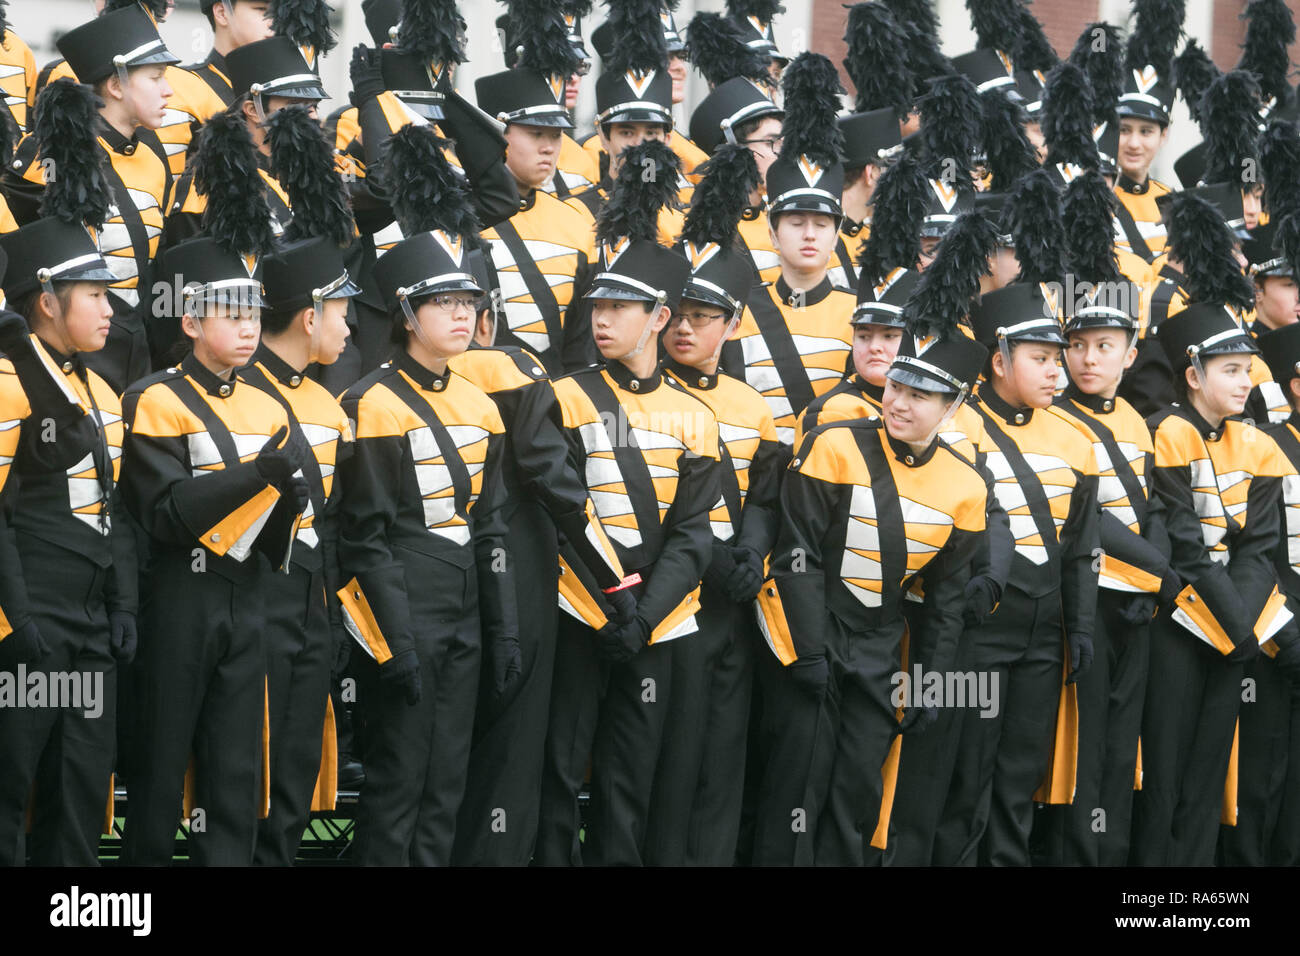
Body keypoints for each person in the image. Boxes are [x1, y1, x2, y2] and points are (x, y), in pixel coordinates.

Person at [752, 282, 990, 866]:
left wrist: (930, 680)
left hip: (883, 651)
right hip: (814, 635)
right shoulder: (833, 444)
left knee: (856, 791)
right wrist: (809, 652)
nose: (901, 403)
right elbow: (796, 555)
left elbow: (946, 599)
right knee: (793, 791)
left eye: (922, 396)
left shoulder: (968, 487)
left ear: (953, 409)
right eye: (898, 388)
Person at [535, 140, 722, 866]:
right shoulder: (566, 396)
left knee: (629, 778)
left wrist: (643, 617)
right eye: (598, 306)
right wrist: (612, 604)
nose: (602, 320)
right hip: (579, 612)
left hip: (658, 624)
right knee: (558, 769)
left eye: (620, 308)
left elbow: (695, 534)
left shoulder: (697, 416)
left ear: (659, 316)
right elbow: (561, 514)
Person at [336, 126, 520, 866]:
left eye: (468, 303)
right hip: (405, 600)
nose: (462, 316)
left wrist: (503, 628)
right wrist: (395, 642)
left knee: (447, 782)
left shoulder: (480, 402)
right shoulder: (370, 402)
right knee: (397, 783)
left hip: (467, 602)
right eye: (442, 303)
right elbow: (366, 538)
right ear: (406, 315)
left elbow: (494, 524)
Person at [119, 227, 308, 866]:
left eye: (254, 313)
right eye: (232, 315)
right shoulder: (154, 397)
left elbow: (279, 523)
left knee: (234, 766)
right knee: (161, 760)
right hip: (179, 593)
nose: (249, 327)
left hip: (250, 594)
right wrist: (258, 477)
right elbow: (167, 515)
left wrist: (289, 504)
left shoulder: (269, 404)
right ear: (192, 322)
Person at [936, 188, 1101, 866]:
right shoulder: (957, 424)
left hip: (1044, 629)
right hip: (982, 628)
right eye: (1042, 359)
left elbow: (1083, 547)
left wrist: (1082, 626)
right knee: (965, 774)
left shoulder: (1077, 439)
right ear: (999, 359)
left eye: (1059, 359)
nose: (1057, 371)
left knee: (1018, 776)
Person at [448, 251, 626, 867]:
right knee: (513, 750)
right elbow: (555, 478)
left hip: (439, 581)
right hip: (520, 570)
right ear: (488, 319)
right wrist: (612, 577)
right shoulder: (514, 368)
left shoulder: (392, 382)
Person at [647, 143, 783, 866]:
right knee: (669, 755)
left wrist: (753, 554)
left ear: (731, 326)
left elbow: (764, 496)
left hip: (734, 592)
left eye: (705, 318)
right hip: (671, 591)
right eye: (679, 314)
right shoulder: (642, 393)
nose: (686, 329)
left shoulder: (751, 405)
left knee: (725, 755)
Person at [1039, 170, 1170, 866]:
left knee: (1124, 749)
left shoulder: (1140, 424)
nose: (1089, 359)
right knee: (1078, 757)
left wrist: (1153, 578)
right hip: (1081, 602)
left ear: (1129, 352)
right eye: (1078, 345)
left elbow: (1150, 511)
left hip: (1136, 608)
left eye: (1104, 346)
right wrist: (1161, 570)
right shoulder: (1052, 420)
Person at [1133, 304, 1291, 866]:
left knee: (1208, 773)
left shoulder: (1258, 445)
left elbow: (1258, 549)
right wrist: (1236, 631)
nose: (1245, 383)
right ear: (1194, 374)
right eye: (1230, 370)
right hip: (1180, 626)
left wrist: (1239, 629)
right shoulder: (1168, 431)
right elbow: (1184, 545)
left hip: (1231, 631)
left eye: (1248, 371)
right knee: (1166, 775)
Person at [0, 220, 130, 866]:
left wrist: (120, 606)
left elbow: (119, 513)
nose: (111, 309)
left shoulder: (100, 387)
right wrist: (17, 619)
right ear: (46, 301)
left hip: (88, 623)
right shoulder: (8, 377)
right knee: (10, 784)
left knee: (80, 789)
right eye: (95, 295)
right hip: (31, 614)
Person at [241, 230, 359, 866]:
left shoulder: (330, 403)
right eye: (342, 311)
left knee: (295, 767)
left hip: (312, 596)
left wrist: (335, 610)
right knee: (247, 767)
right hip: (256, 595)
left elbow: (335, 521)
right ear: (311, 315)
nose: (349, 325)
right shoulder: (239, 392)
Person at [3, 7, 178, 393]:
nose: (169, 91)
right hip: (71, 346)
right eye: (155, 78)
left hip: (139, 340)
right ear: (116, 86)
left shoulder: (154, 154)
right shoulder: (50, 153)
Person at [720, 52, 855, 447]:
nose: (809, 235)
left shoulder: (859, 317)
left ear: (837, 233)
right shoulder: (737, 314)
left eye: (822, 224)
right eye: (796, 223)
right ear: (773, 233)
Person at [474, 4, 602, 375]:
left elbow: (580, 342)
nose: (549, 147)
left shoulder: (578, 222)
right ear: (499, 132)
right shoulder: (457, 212)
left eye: (556, 135)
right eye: (535, 134)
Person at [1241, 322, 1300, 865]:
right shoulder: (1268, 447)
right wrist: (1285, 636)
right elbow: (1257, 554)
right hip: (1277, 632)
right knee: (1263, 769)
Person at [1110, 0, 1182, 263]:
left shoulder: (1176, 207)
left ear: (1164, 136)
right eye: (1124, 130)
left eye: (1146, 131)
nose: (1134, 143)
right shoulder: (1091, 203)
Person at [187, 0, 276, 105]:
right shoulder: (185, 85)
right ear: (222, 13)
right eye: (262, 9)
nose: (274, 23)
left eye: (277, 13)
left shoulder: (289, 83)